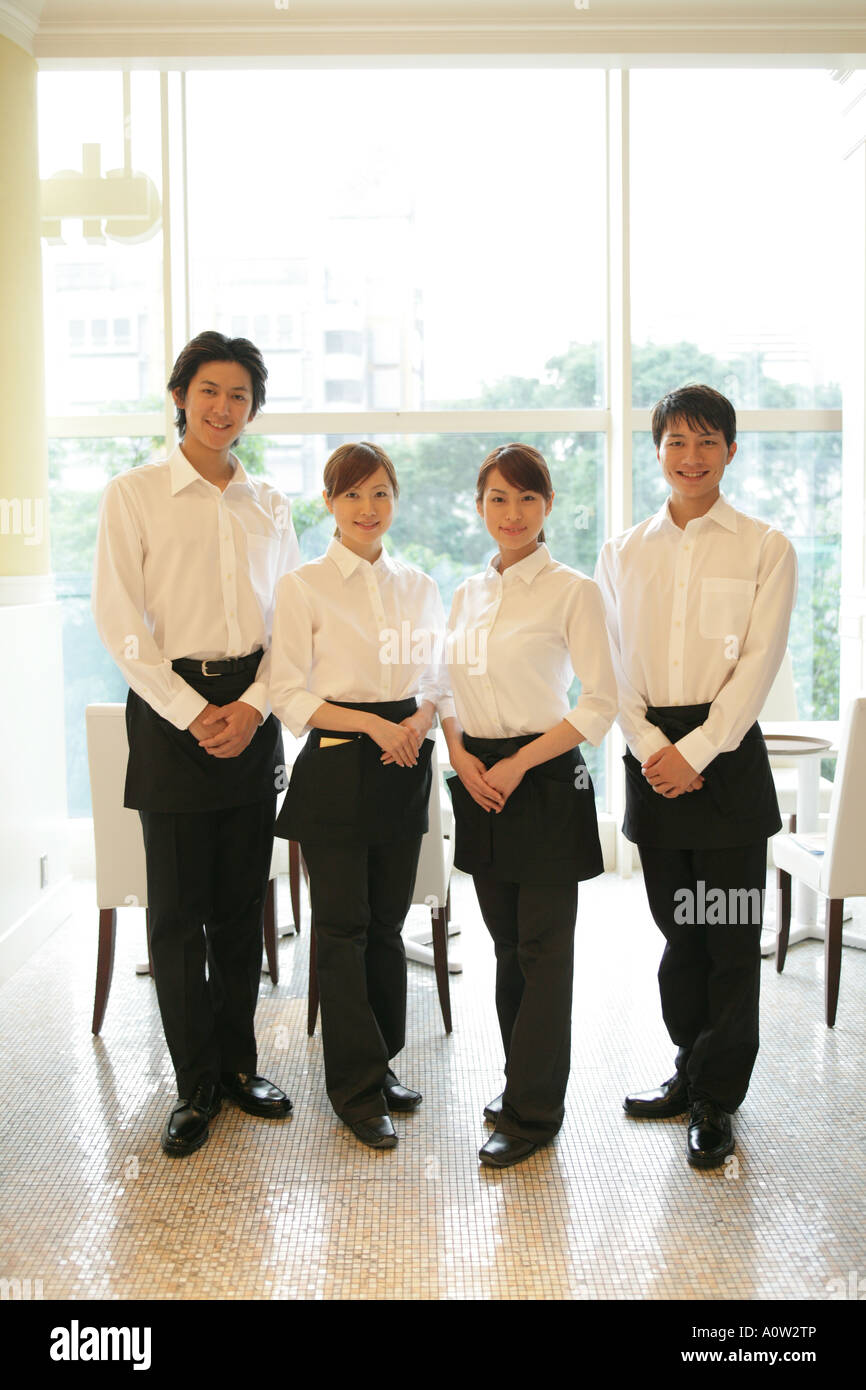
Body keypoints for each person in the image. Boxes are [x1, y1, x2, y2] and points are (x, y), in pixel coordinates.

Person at [92, 330, 299, 1157]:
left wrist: (250, 707)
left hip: (252, 707)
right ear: (181, 395)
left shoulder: (269, 504)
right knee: (177, 915)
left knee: (240, 906)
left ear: (253, 409)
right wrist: (190, 711)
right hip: (168, 708)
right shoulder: (134, 494)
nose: (224, 408)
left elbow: (292, 623)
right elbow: (120, 620)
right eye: (210, 391)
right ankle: (192, 1083)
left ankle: (239, 1065)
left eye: (240, 396)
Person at [595, 383, 797, 1169]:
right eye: (676, 442)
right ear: (657, 452)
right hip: (652, 756)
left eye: (707, 442)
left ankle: (718, 1099)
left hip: (727, 757)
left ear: (732, 451)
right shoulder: (623, 552)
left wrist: (699, 751)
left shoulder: (763, 545)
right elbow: (613, 666)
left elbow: (759, 661)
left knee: (729, 933)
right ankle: (690, 1069)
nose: (691, 457)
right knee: (680, 930)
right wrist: (653, 748)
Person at [439, 443, 617, 1169]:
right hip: (479, 779)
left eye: (526, 499)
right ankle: (522, 1087)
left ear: (548, 507)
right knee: (507, 949)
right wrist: (457, 753)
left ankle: (535, 1111)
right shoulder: (466, 593)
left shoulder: (574, 591)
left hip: (540, 780)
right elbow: (444, 686)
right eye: (497, 500)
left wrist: (515, 764)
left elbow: (600, 705)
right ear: (479, 507)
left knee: (544, 953)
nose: (511, 514)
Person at [269, 442, 447, 1151]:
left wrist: (420, 720)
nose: (367, 509)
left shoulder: (419, 584)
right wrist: (375, 723)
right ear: (329, 504)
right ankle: (351, 1088)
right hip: (339, 765)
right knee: (340, 930)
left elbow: (438, 673)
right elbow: (287, 692)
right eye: (352, 496)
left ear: (394, 498)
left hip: (406, 761)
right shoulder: (303, 584)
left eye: (379, 494)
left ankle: (383, 1064)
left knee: (385, 927)